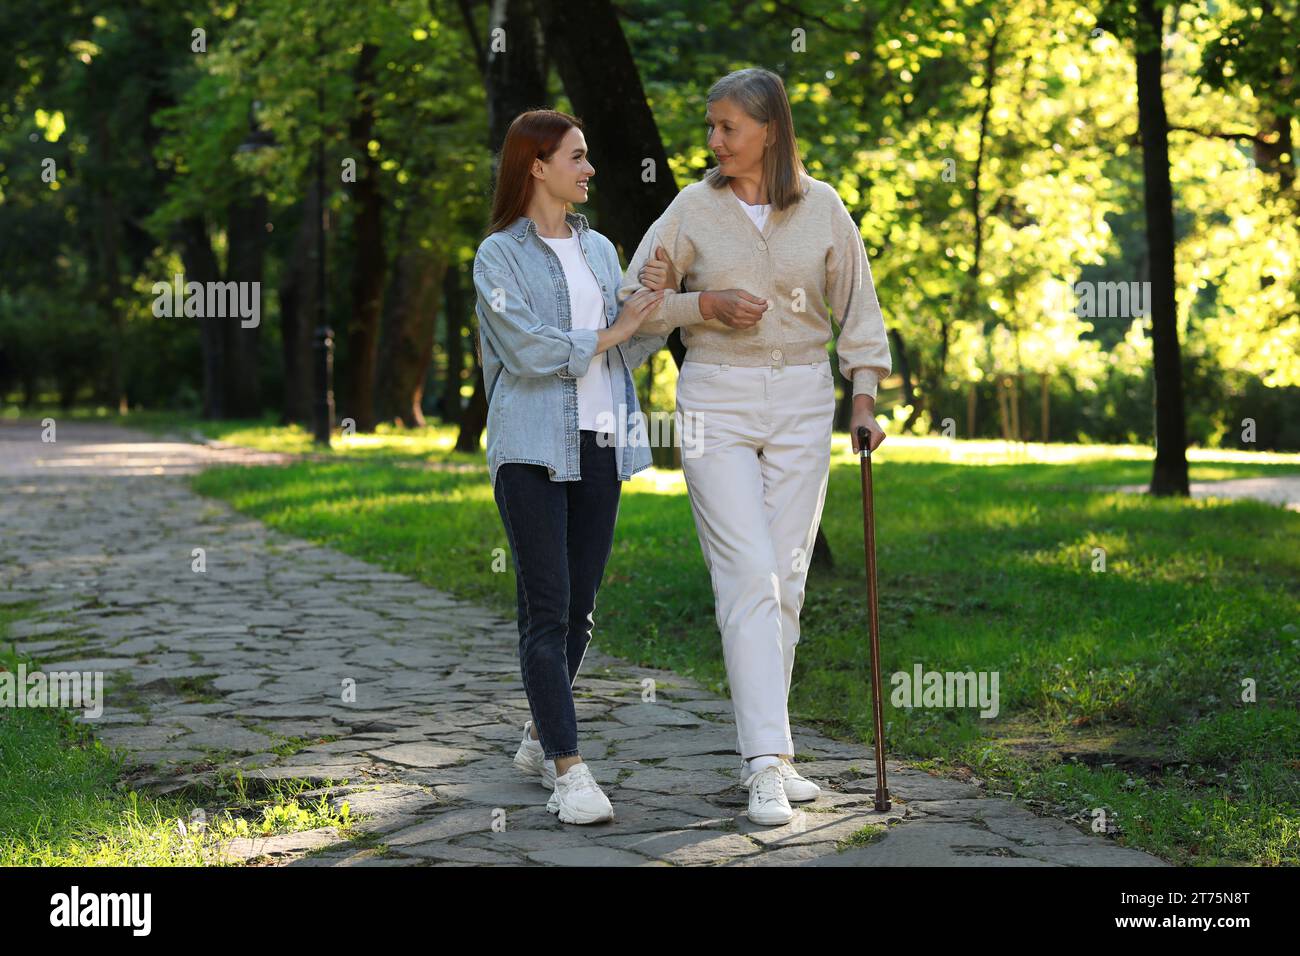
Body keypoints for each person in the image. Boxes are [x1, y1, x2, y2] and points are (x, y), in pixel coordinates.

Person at [622, 68, 892, 826]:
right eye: (710, 126)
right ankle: (766, 765)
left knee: (789, 580)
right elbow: (633, 303)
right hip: (716, 397)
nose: (713, 140)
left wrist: (864, 399)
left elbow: (860, 315)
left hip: (805, 400)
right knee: (747, 575)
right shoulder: (691, 209)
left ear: (770, 130)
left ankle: (770, 751)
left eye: (727, 127)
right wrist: (699, 303)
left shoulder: (825, 208)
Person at [473, 109, 666, 824]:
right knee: (546, 607)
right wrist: (613, 328)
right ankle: (569, 771)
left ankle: (537, 735)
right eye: (577, 157)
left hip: (601, 441)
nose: (589, 169)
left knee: (579, 610)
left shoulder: (602, 250)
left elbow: (624, 350)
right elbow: (526, 350)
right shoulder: (498, 256)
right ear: (537, 165)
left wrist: (653, 310)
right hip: (530, 448)